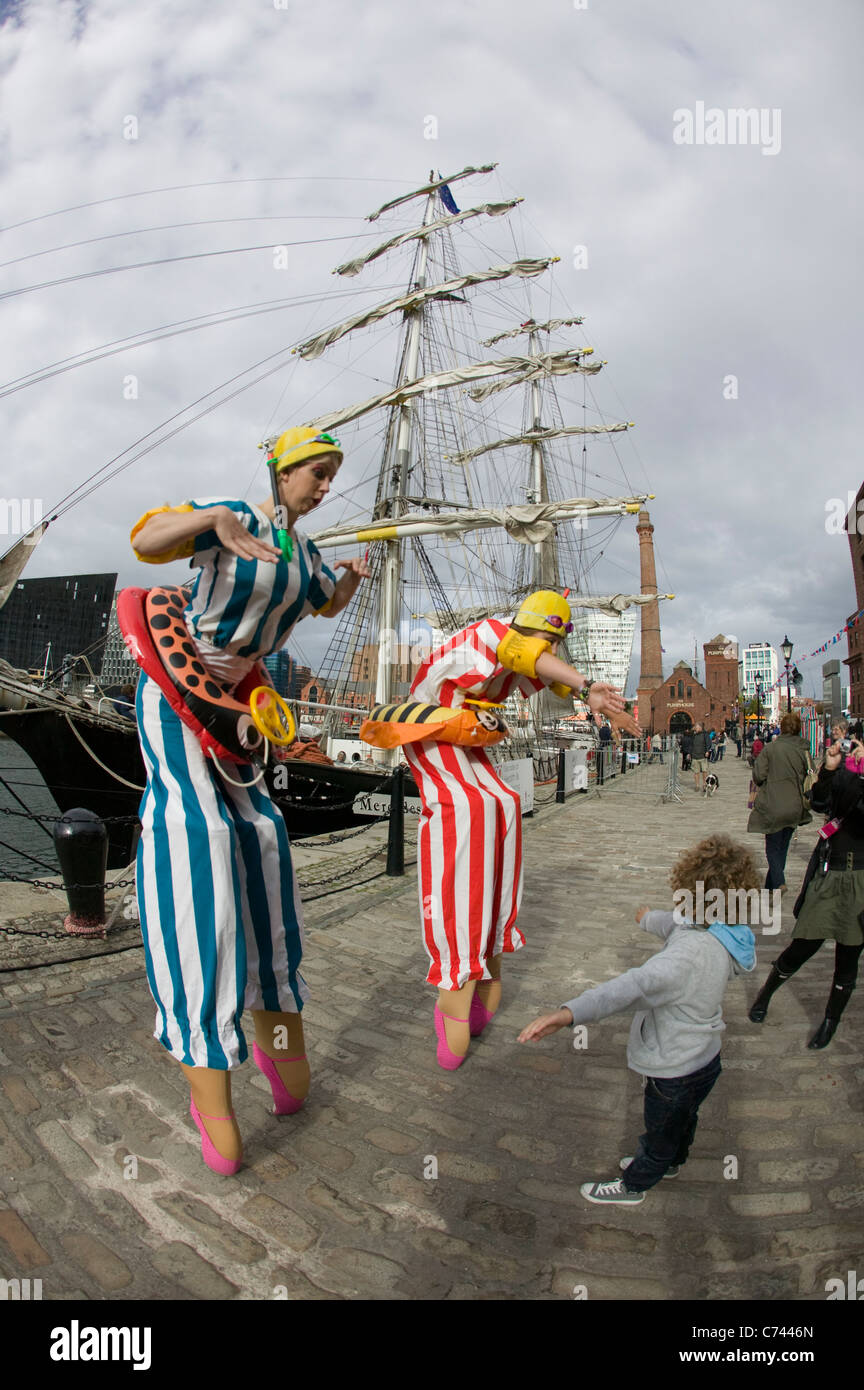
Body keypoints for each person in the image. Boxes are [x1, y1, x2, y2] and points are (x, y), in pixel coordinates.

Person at [127, 426, 370, 1175]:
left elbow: (322, 605)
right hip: (179, 692)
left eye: (331, 476)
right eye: (313, 472)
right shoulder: (236, 517)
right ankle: (209, 1072)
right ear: (280, 471)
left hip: (243, 707)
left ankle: (278, 1039)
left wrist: (351, 583)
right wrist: (210, 523)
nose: (324, 485)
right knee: (192, 838)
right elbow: (147, 538)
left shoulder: (308, 554)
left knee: (264, 844)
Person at [362, 590, 639, 1070]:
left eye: (557, 640)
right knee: (465, 806)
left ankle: (489, 939)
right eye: (548, 637)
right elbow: (527, 655)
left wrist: (585, 693)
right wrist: (586, 682)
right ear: (530, 627)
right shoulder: (495, 633)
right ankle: (457, 960)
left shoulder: (527, 657)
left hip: (465, 730)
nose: (550, 648)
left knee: (503, 804)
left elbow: (541, 673)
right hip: (428, 729)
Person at [519, 834, 757, 1205]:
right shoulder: (726, 931)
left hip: (674, 1067)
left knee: (658, 1132)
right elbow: (676, 923)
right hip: (707, 1059)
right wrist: (648, 920)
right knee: (684, 1119)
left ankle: (636, 1184)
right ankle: (674, 1159)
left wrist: (569, 1013)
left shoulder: (685, 958)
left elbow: (631, 987)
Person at [749, 752, 864, 1049]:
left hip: (861, 880)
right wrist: (831, 768)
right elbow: (820, 802)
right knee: (804, 943)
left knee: (848, 959)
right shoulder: (846, 774)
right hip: (833, 873)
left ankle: (830, 1021)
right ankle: (767, 991)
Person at [747, 711, 812, 893]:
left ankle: (779, 882)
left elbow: (759, 775)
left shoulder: (771, 749)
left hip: (774, 803)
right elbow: (812, 775)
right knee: (783, 846)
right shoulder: (804, 750)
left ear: (782, 728)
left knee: (773, 847)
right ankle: (771, 885)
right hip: (795, 804)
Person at [690, 723, 708, 791]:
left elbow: (708, 743)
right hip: (695, 756)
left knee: (704, 771)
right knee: (696, 772)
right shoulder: (693, 735)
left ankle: (704, 784)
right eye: (695, 728)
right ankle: (697, 785)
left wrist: (707, 751)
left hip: (702, 756)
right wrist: (690, 753)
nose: (695, 729)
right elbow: (688, 734)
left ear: (700, 728)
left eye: (697, 727)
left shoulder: (704, 734)